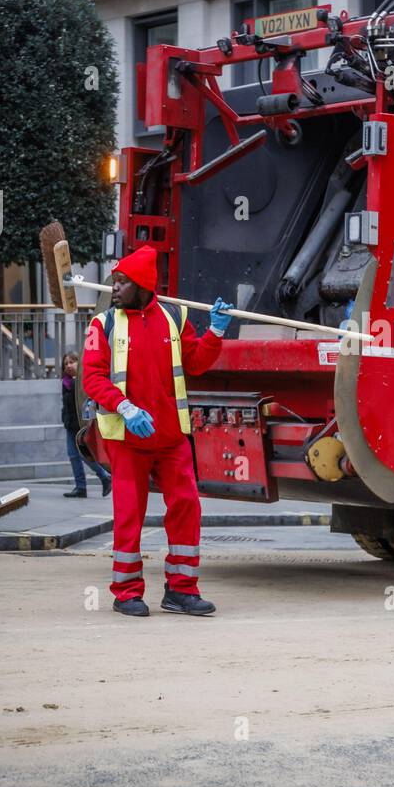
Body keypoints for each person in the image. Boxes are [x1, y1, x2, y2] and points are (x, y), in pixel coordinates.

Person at [81, 245, 231, 618]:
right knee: (129, 513)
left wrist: (214, 331)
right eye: (114, 282)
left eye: (121, 282)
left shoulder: (175, 316)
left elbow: (196, 363)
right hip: (126, 438)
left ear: (144, 284)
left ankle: (181, 590)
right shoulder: (103, 324)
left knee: (187, 506)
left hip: (171, 438)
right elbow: (92, 378)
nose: (113, 289)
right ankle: (126, 592)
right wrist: (126, 407)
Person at [60, 351, 111, 498]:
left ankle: (104, 477)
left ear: (79, 363)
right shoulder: (66, 382)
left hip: (83, 425)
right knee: (73, 456)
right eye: (66, 363)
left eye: (72, 362)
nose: (69, 366)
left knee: (85, 456)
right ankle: (81, 487)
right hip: (70, 425)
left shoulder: (83, 381)